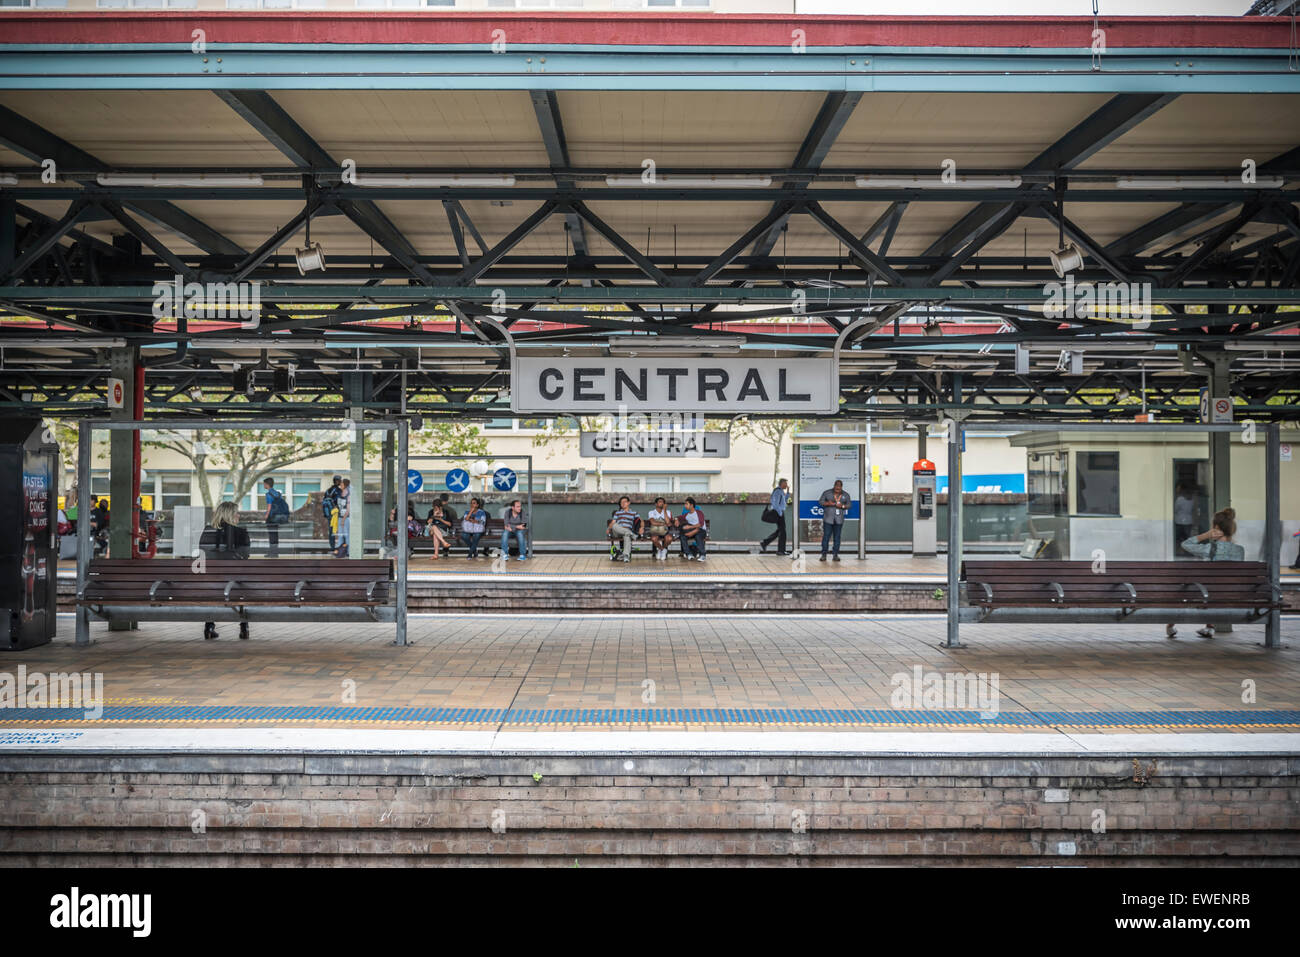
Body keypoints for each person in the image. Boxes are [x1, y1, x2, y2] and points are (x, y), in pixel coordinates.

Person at [1177, 507, 1245, 638]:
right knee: (1212, 587)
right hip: (1233, 593)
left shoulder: (1210, 548)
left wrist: (1206, 535)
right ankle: (1209, 627)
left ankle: (1171, 625)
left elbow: (1185, 544)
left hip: (1210, 594)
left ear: (1216, 527)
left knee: (1191, 588)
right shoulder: (1240, 550)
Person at [199, 501, 251, 641]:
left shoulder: (207, 531)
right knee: (241, 586)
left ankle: (209, 626)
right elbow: (245, 556)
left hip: (211, 580)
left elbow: (204, 553)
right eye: (236, 512)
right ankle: (243, 626)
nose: (239, 515)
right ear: (230, 515)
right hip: (235, 581)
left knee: (215, 590)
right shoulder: (241, 532)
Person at [818, 479, 850, 562]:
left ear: (841, 487)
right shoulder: (827, 493)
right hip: (828, 519)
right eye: (836, 488)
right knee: (826, 537)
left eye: (839, 488)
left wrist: (842, 506)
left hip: (839, 520)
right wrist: (828, 503)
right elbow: (821, 501)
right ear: (834, 486)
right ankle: (823, 555)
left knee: (837, 537)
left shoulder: (845, 494)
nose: (838, 489)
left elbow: (849, 505)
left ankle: (835, 555)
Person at [760, 478, 791, 555]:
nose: (787, 485)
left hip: (780, 512)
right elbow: (775, 503)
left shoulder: (781, 491)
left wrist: (787, 493)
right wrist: (780, 513)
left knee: (780, 531)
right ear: (782, 483)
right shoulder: (777, 491)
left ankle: (765, 542)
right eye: (786, 483)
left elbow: (784, 502)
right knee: (782, 532)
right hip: (778, 512)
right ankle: (780, 551)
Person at [607, 496, 640, 563]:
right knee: (614, 525)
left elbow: (640, 521)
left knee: (626, 536)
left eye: (624, 502)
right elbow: (613, 522)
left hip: (626, 532)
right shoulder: (617, 513)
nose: (623, 503)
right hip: (617, 532)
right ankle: (632, 534)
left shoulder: (634, 513)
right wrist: (609, 528)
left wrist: (642, 527)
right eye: (621, 502)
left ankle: (626, 556)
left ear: (628, 503)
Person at [263, 477, 289, 558]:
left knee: (271, 535)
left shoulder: (268, 494)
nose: (263, 485)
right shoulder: (278, 493)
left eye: (264, 484)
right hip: (279, 516)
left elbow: (269, 506)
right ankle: (275, 552)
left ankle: (272, 553)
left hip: (272, 517)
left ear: (267, 484)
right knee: (275, 534)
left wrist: (266, 515)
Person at [678, 497, 707, 562]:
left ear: (691, 505)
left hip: (701, 531)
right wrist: (676, 520)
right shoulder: (686, 515)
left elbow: (701, 524)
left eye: (686, 504)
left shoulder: (699, 513)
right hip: (693, 531)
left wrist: (690, 528)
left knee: (698, 536)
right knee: (682, 537)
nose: (685, 505)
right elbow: (678, 517)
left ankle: (702, 555)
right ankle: (688, 554)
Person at [1173, 483, 1197, 555]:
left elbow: (1175, 509)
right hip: (1189, 521)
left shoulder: (1179, 499)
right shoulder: (1192, 499)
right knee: (1187, 538)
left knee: (1178, 538)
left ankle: (1178, 551)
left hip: (1179, 521)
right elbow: (1193, 509)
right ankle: (1187, 551)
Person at [322, 475, 343, 552]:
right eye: (340, 480)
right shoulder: (339, 490)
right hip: (337, 513)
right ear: (337, 481)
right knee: (341, 530)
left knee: (331, 531)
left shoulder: (328, 490)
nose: (341, 482)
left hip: (329, 514)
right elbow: (340, 501)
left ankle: (332, 547)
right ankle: (342, 546)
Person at [333, 478, 352, 558]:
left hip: (346, 518)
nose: (340, 485)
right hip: (340, 516)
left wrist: (343, 519)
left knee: (346, 535)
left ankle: (348, 552)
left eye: (342, 483)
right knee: (340, 535)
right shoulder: (341, 493)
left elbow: (348, 509)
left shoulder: (349, 495)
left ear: (345, 484)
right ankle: (340, 551)